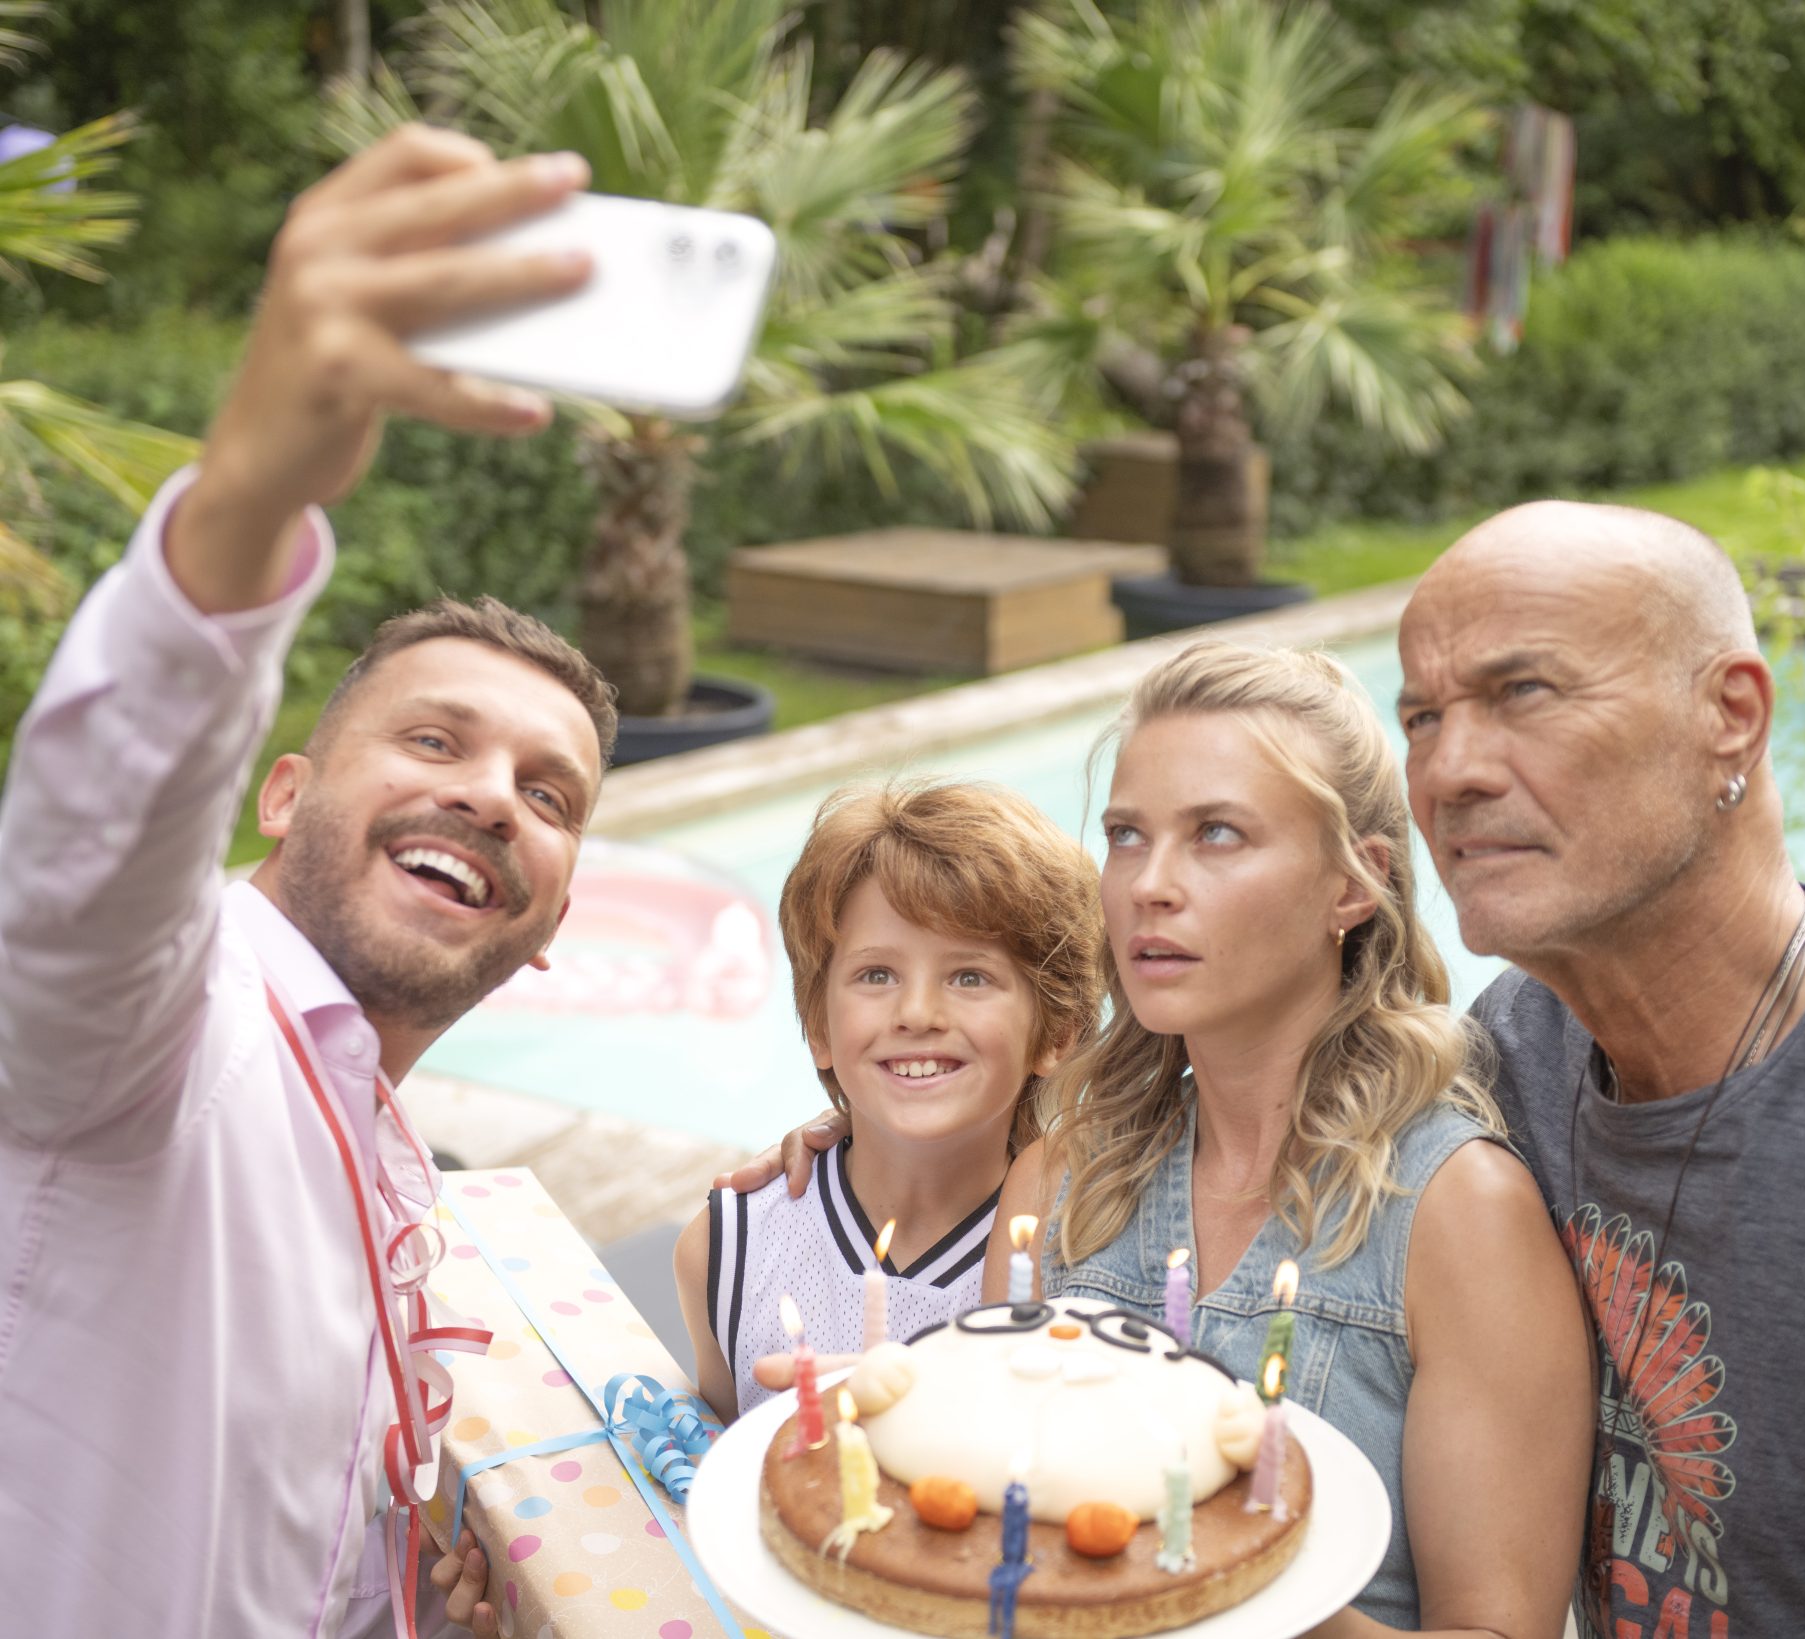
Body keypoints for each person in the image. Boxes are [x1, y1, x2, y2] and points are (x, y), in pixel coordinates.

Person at [0, 127, 608, 1639]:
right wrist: (242, 514)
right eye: (432, 738)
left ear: (550, 921)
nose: (487, 791)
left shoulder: (379, 1141)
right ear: (283, 792)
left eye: (548, 791)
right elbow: (82, 885)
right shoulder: (161, 1038)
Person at [742, 644, 1596, 1636]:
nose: (1148, 883)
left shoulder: (1455, 1214)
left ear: (1353, 885)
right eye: (1126, 835)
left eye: (1217, 834)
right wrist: (910, 1430)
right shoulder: (1061, 1180)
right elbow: (993, 1573)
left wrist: (1230, 1573)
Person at [1396, 500, 1805, 1638]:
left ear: (1728, 717)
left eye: (1522, 693)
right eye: (1419, 715)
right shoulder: (1523, 1051)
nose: (1447, 769)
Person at [674, 782, 1101, 1422]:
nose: (918, 1013)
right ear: (819, 1026)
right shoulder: (727, 1245)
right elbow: (718, 1482)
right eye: (877, 975)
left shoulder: (1080, 1258)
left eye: (970, 976)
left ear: (1058, 1032)